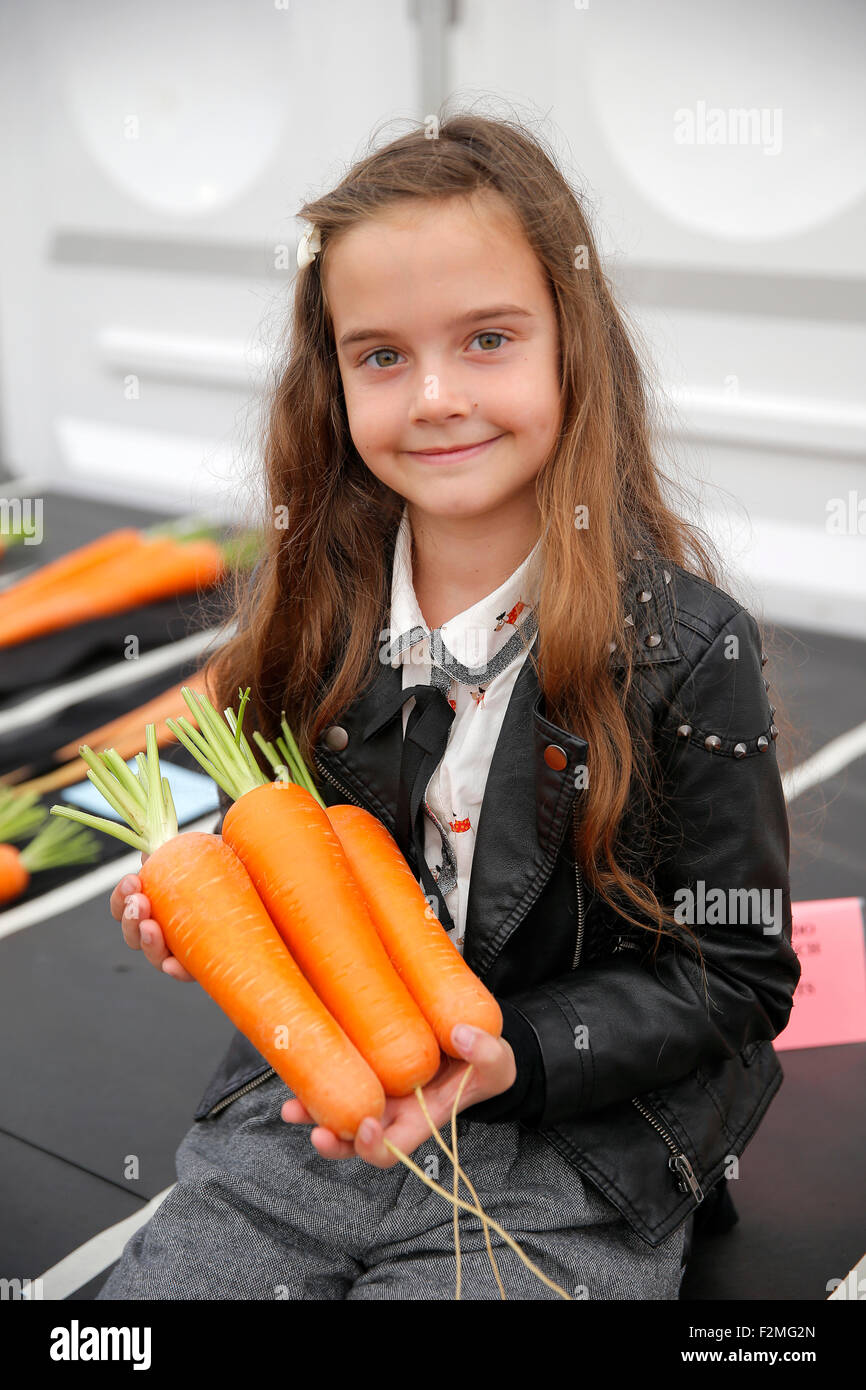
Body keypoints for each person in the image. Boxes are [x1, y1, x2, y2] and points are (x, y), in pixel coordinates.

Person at [98, 111, 799, 1301]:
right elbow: (283, 836)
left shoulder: (686, 651)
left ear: (572, 347)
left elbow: (733, 973)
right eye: (379, 355)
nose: (431, 397)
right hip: (322, 1110)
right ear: (333, 382)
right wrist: (206, 896)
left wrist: (504, 1059)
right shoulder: (311, 617)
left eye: (485, 339)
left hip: (579, 1146)